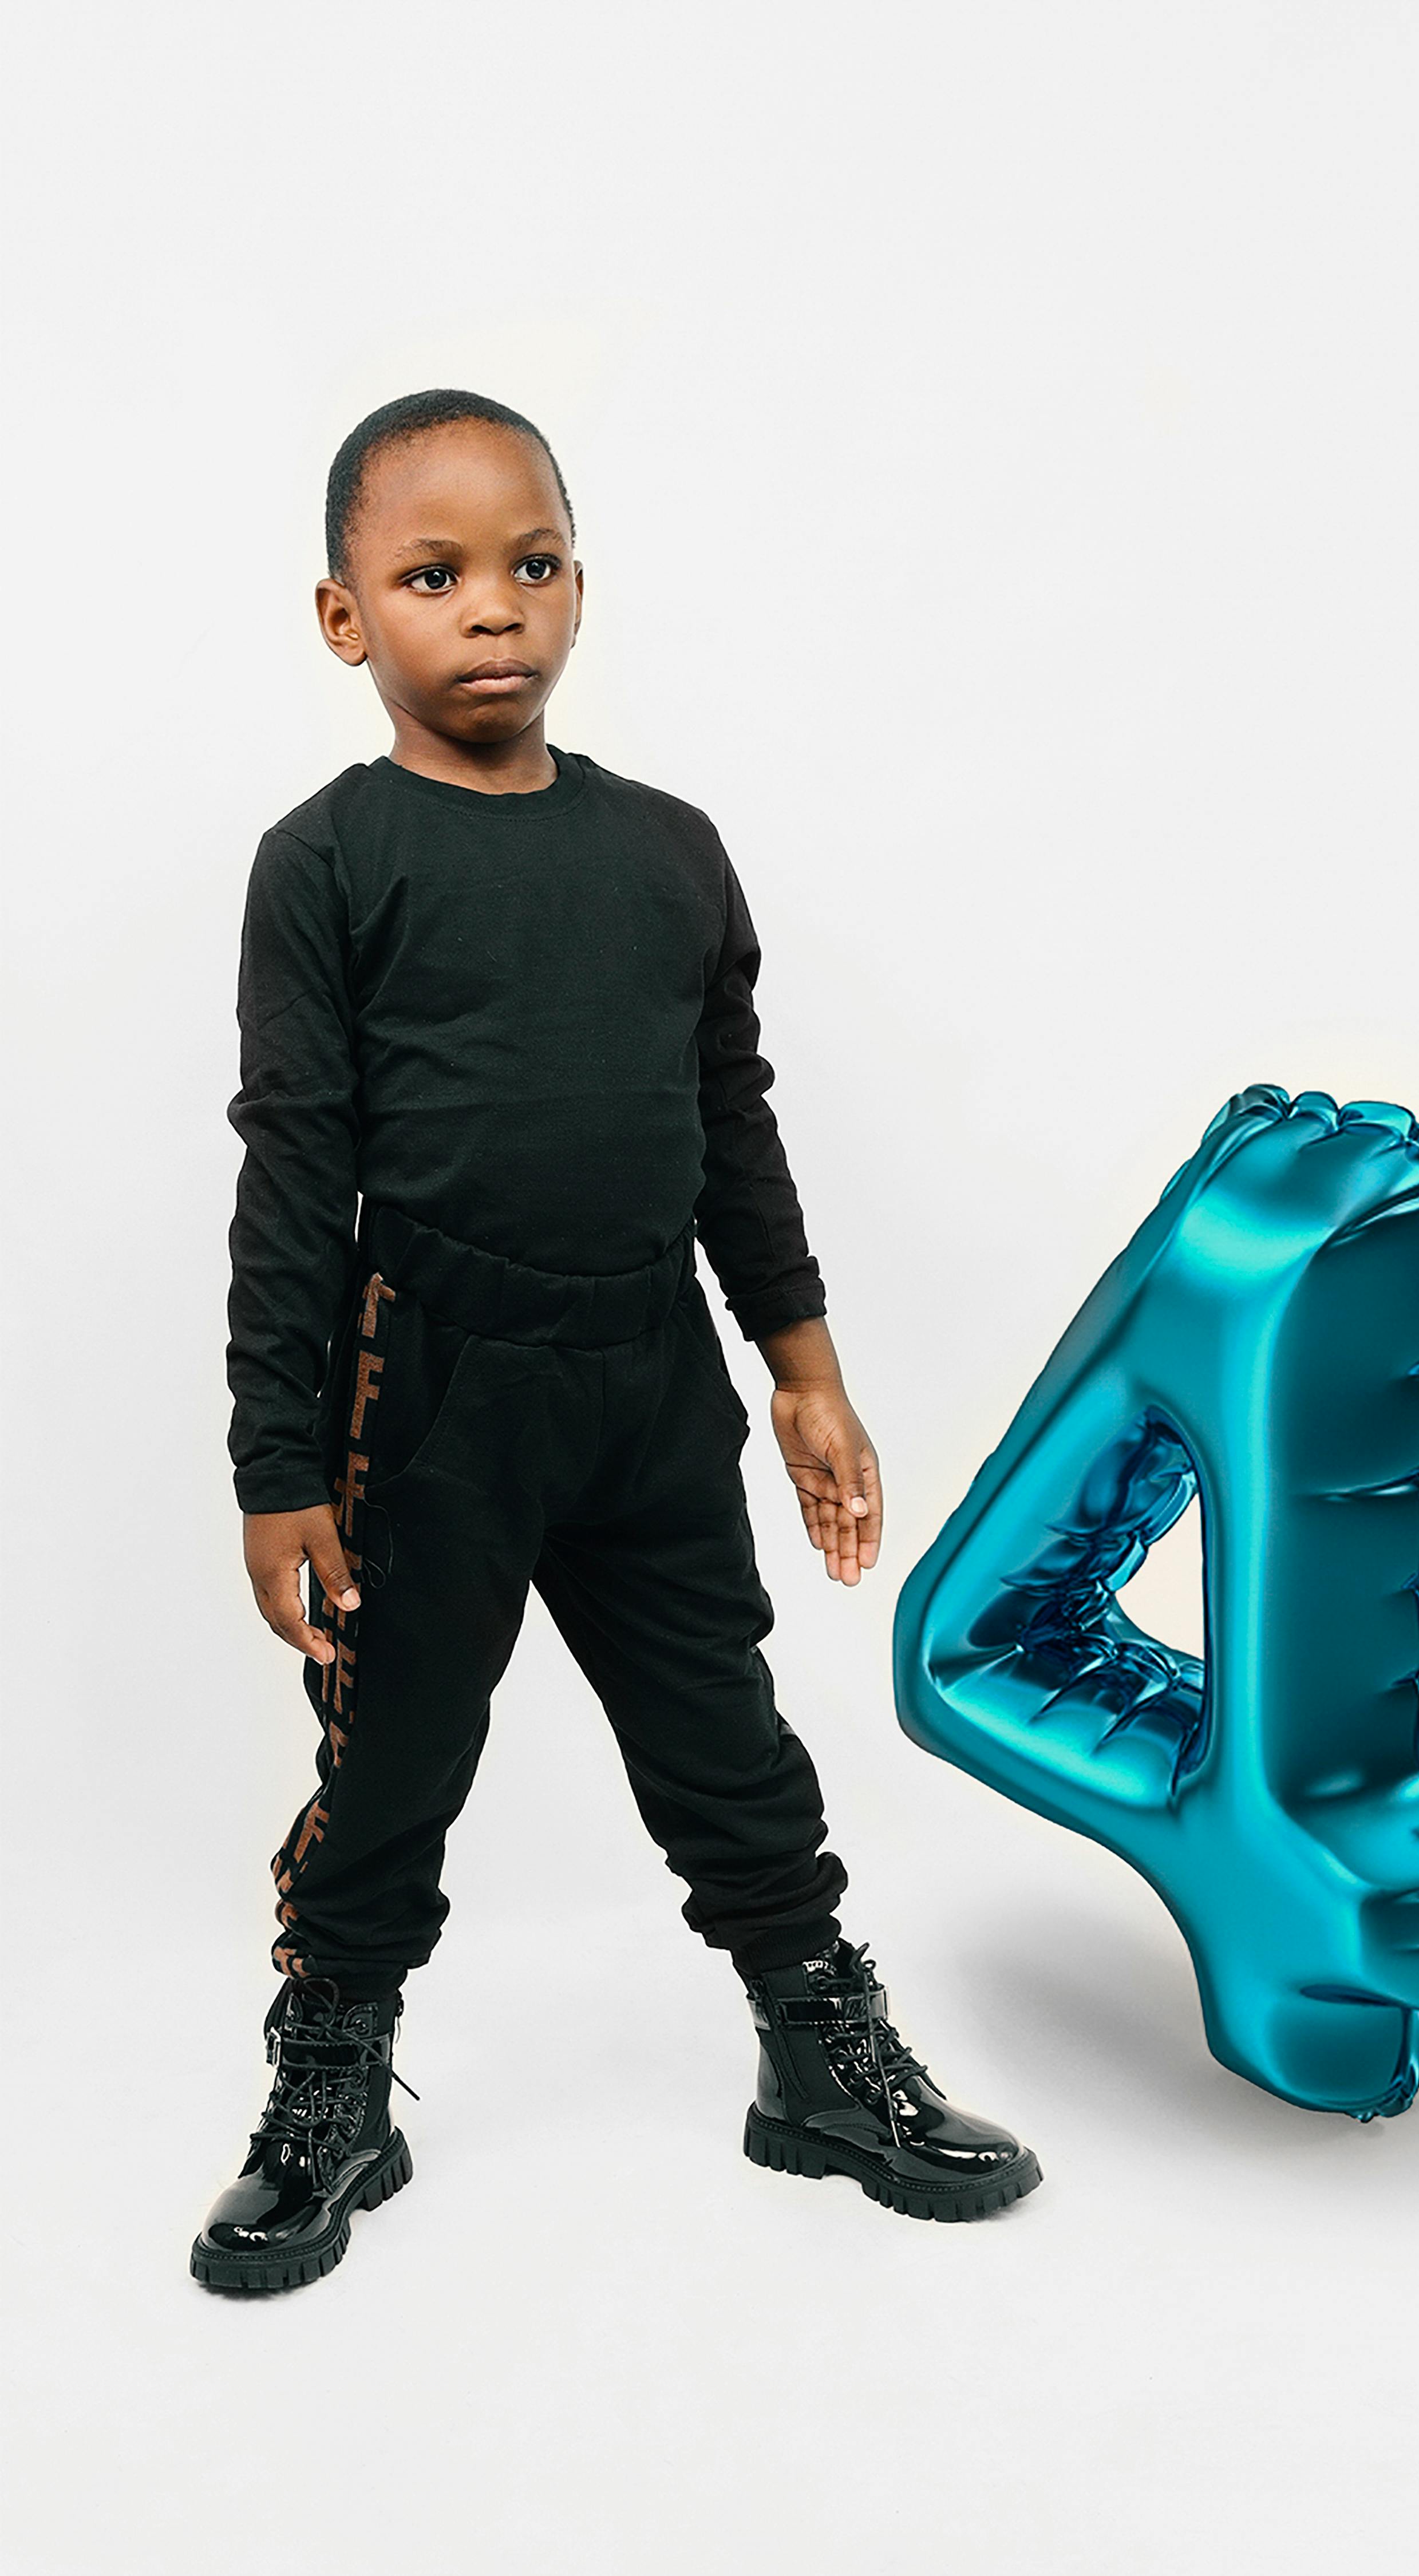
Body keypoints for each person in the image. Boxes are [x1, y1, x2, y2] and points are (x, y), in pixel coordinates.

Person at [191, 389, 1039, 2292]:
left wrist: (802, 1365)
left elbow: (730, 1118)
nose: (494, 606)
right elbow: (293, 1169)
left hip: (651, 1383)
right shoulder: (327, 862)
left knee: (722, 1722)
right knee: (395, 1752)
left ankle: (817, 2048)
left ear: (580, 585)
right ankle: (333, 2082)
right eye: (434, 576)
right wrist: (275, 1462)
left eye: (534, 563)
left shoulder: (669, 851)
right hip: (433, 1394)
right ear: (345, 618)